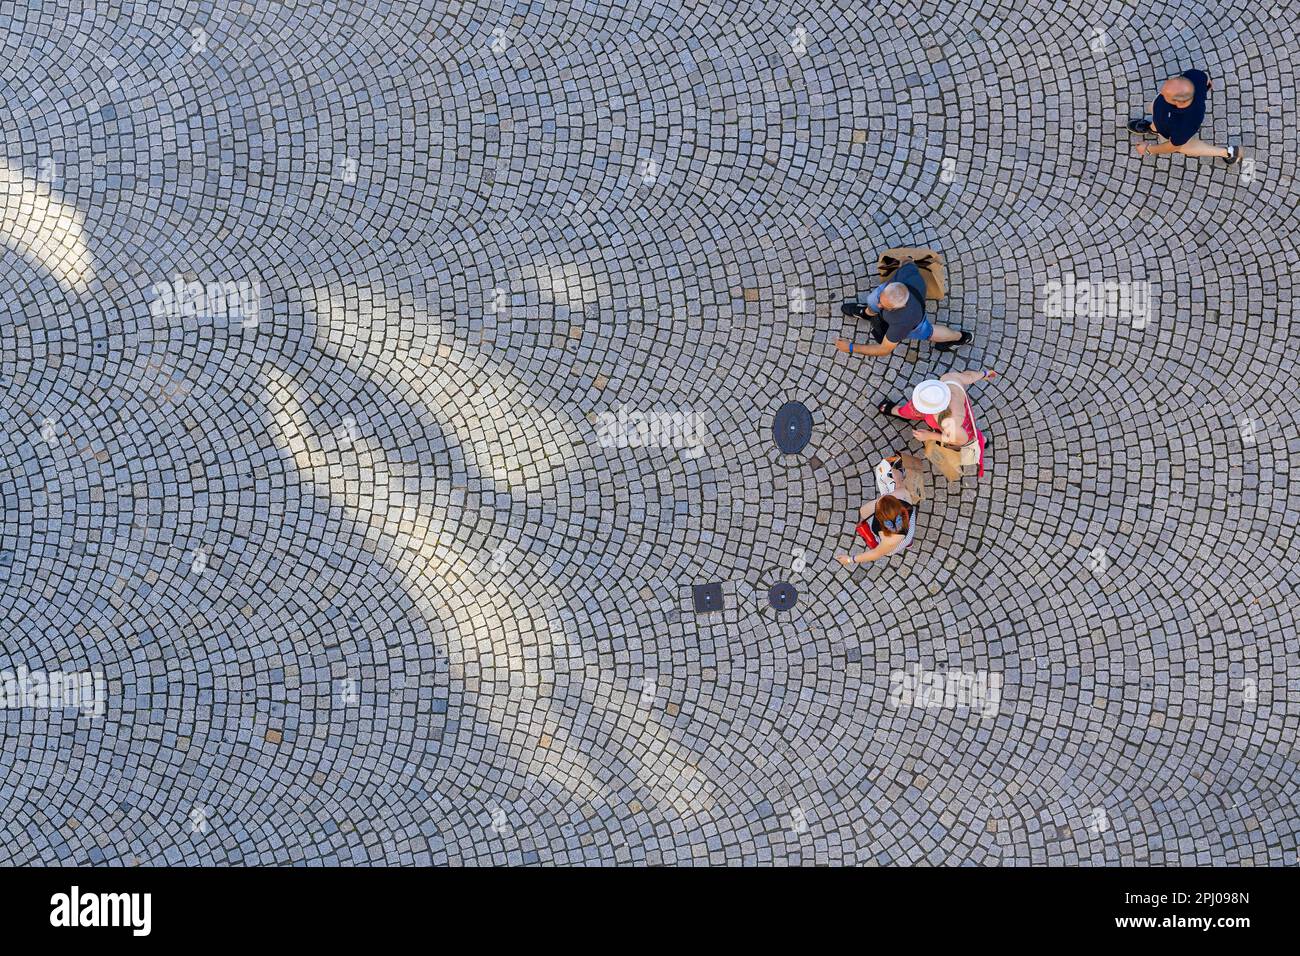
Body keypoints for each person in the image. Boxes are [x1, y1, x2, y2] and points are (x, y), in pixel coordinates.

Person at [835, 258, 971, 358]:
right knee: (872, 300)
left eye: (884, 306)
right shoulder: (907, 272)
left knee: (928, 332)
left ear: (900, 307)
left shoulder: (903, 322)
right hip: (909, 294)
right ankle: (866, 313)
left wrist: (850, 347)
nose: (879, 305)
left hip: (915, 319)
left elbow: (884, 350)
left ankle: (960, 337)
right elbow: (907, 261)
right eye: (881, 299)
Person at [878, 370, 995, 480]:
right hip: (963, 421)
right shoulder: (950, 379)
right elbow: (969, 376)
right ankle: (981, 440)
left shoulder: (951, 425)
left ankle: (898, 412)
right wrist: (984, 373)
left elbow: (959, 441)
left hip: (959, 432)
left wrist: (930, 436)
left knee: (911, 410)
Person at [1128, 70, 1241, 165]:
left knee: (1183, 147)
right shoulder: (1196, 75)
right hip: (1164, 115)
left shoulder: (1185, 123)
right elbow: (1206, 78)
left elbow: (1173, 147)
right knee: (1153, 107)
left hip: (1174, 133)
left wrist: (1148, 149)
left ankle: (1229, 152)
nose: (1161, 92)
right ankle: (1153, 128)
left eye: (1165, 94)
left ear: (1178, 102)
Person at [835, 493, 916, 565]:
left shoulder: (888, 540)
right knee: (906, 537)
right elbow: (899, 486)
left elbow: (876, 553)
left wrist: (849, 560)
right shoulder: (903, 495)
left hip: (891, 544)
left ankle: (907, 542)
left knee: (887, 548)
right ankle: (909, 542)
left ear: (881, 516)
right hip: (908, 528)